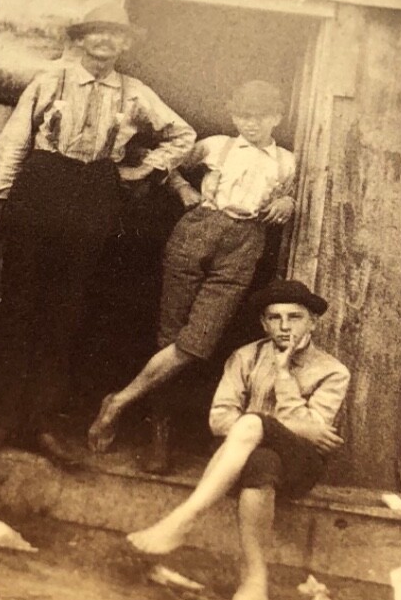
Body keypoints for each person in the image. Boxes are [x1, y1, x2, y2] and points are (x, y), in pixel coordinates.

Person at [0, 1, 196, 466]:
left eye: (116, 35)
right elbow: (14, 137)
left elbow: (182, 135)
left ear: (126, 44)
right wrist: (8, 191)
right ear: (81, 40)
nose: (106, 41)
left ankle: (42, 425)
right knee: (18, 304)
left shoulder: (134, 93)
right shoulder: (50, 80)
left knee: (66, 308)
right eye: (97, 33)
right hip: (43, 181)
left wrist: (142, 171)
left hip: (95, 188)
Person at [87, 80, 298, 468]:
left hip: (244, 242)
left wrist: (287, 200)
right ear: (233, 115)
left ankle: (117, 402)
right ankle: (158, 436)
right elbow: (171, 164)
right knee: (169, 335)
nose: (250, 124)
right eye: (243, 115)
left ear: (277, 117)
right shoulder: (215, 144)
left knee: (198, 342)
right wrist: (183, 189)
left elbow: (293, 196)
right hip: (197, 229)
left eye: (260, 116)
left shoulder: (287, 161)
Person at [127, 280, 349, 600]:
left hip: (300, 465)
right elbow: (219, 419)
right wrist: (280, 427)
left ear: (312, 323)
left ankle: (183, 521)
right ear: (263, 323)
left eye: (295, 317)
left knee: (250, 425)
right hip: (249, 459)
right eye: (274, 318)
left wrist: (284, 374)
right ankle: (254, 584)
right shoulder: (244, 357)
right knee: (260, 461)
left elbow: (312, 437)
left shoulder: (333, 371)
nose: (285, 326)